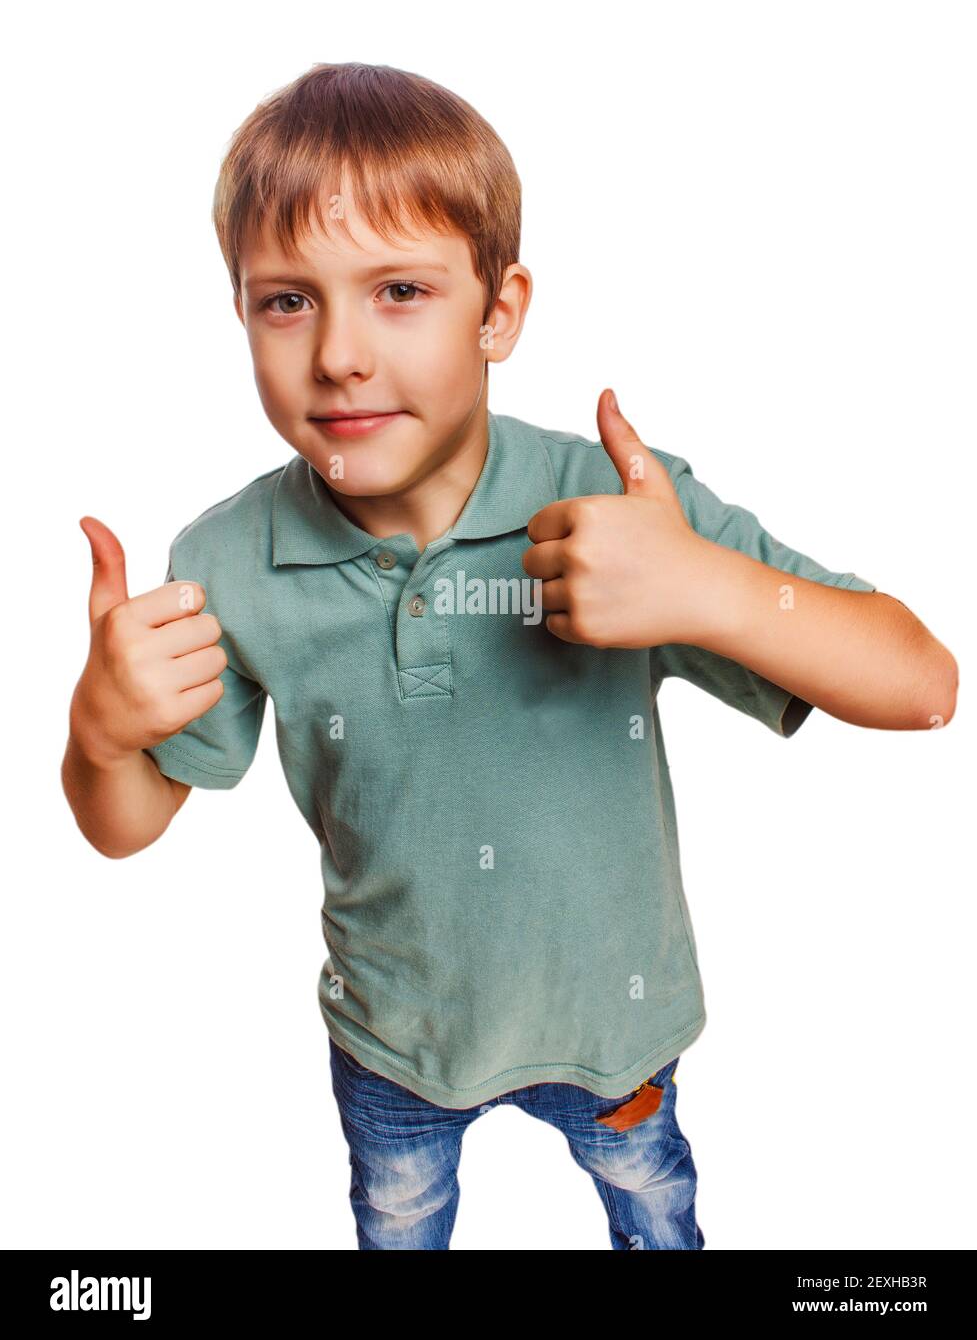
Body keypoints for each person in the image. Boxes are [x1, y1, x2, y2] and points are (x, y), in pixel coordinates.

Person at [62, 62, 958, 1250]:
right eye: (286, 300)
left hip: (613, 1023)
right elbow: (125, 823)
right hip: (393, 1033)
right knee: (398, 1224)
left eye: (398, 290)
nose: (338, 354)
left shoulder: (613, 500)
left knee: (655, 1213)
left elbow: (924, 684)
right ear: (238, 310)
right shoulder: (227, 556)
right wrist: (100, 730)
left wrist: (708, 586)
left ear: (498, 310)